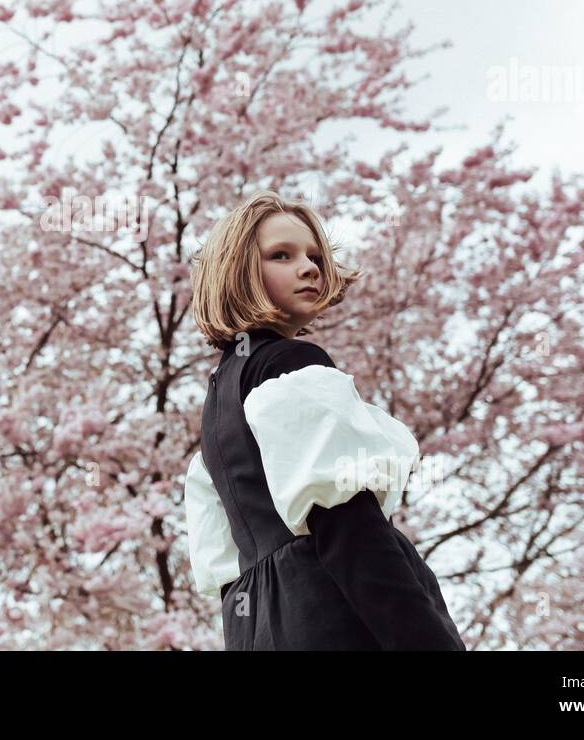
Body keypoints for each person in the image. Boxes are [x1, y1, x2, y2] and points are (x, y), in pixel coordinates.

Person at [184, 189, 466, 650]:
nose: (310, 267)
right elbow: (346, 523)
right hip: (336, 619)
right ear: (238, 270)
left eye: (315, 255)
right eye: (281, 254)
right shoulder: (290, 362)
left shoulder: (220, 395)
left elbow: (227, 577)